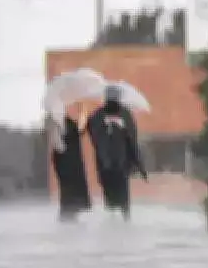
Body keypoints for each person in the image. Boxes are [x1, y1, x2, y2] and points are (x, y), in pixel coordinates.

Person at [87, 85, 147, 219]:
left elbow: (132, 138)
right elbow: (93, 133)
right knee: (111, 197)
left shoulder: (125, 114)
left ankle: (124, 220)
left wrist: (139, 164)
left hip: (121, 163)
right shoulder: (98, 115)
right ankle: (113, 221)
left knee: (122, 197)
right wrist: (105, 126)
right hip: (106, 164)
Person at [48, 108, 92, 221]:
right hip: (67, 162)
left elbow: (78, 131)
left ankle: (70, 214)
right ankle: (68, 214)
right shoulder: (59, 124)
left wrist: (83, 115)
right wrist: (83, 116)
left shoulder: (63, 123)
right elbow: (76, 132)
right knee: (69, 190)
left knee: (71, 190)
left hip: (69, 162)